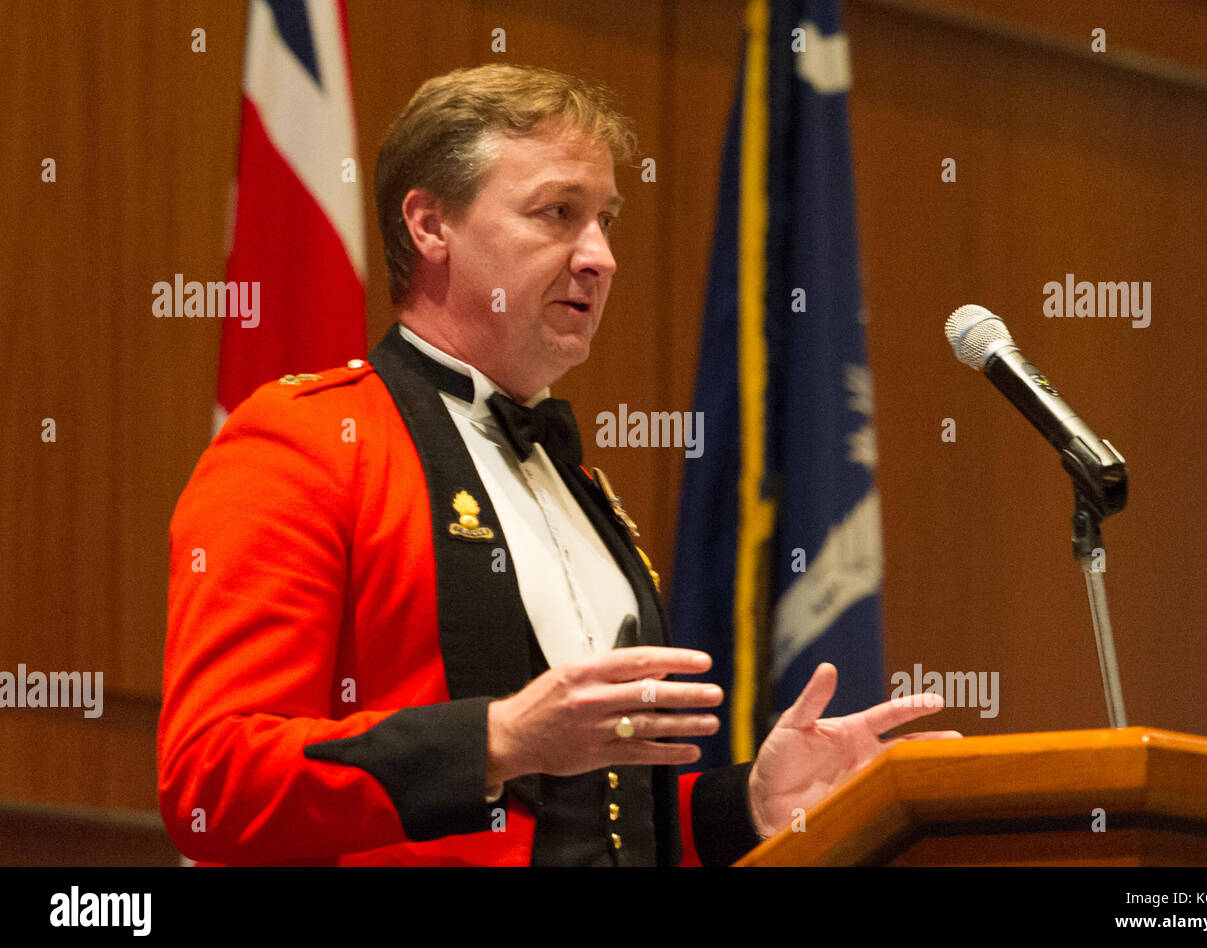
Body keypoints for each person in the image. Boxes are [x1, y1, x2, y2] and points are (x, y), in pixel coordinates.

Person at [157, 63, 955, 867]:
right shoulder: (305, 445)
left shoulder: (578, 488)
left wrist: (747, 804)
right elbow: (210, 780)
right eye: (558, 214)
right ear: (431, 225)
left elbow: (593, 816)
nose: (600, 256)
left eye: (605, 219)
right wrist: (498, 739)